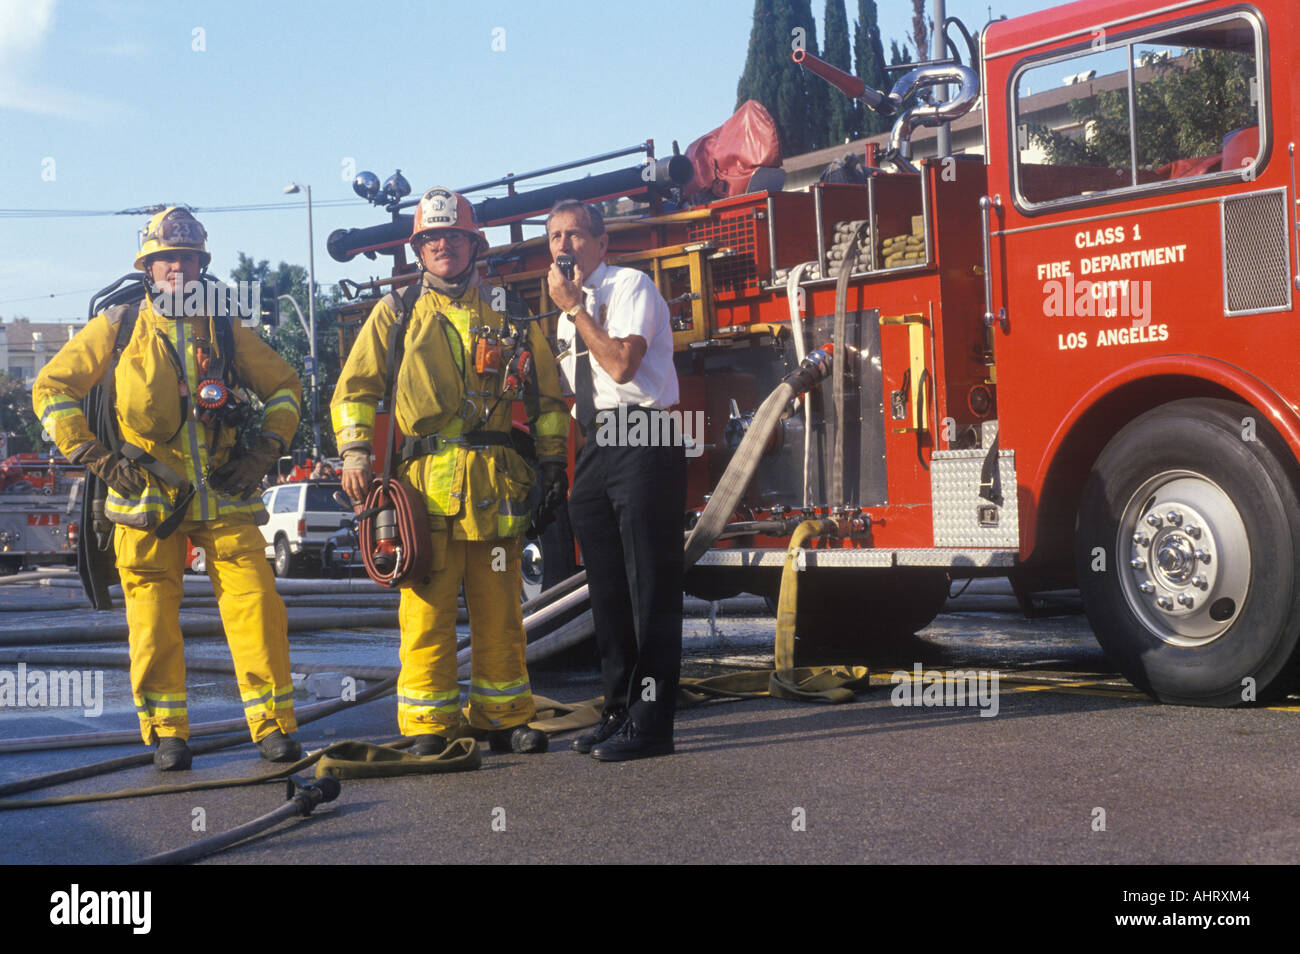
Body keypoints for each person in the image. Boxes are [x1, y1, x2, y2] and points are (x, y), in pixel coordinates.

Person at [33, 207, 303, 771]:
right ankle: (167, 734)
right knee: (152, 620)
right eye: (165, 259)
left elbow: (283, 386)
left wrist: (262, 451)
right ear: (149, 268)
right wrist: (91, 454)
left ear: (201, 265)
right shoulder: (120, 324)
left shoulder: (225, 326)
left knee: (257, 607)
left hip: (225, 491)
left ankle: (273, 726)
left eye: (186, 258)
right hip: (145, 498)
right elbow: (51, 386)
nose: (176, 268)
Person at [331, 187, 569, 756]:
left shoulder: (508, 310)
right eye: (433, 237)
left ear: (472, 245)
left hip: (495, 488)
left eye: (454, 237)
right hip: (424, 497)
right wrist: (356, 453)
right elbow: (354, 391)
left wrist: (554, 460)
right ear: (419, 249)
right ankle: (428, 727)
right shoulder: (396, 312)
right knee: (427, 615)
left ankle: (504, 715)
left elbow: (549, 397)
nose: (444, 246)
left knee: (501, 611)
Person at [545, 199, 687, 761]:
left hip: (645, 430)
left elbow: (623, 366)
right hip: (600, 439)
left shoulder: (629, 287)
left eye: (576, 235)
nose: (564, 246)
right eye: (554, 236)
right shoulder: (562, 315)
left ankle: (653, 724)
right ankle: (619, 708)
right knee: (607, 587)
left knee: (648, 585)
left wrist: (578, 311)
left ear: (602, 245)